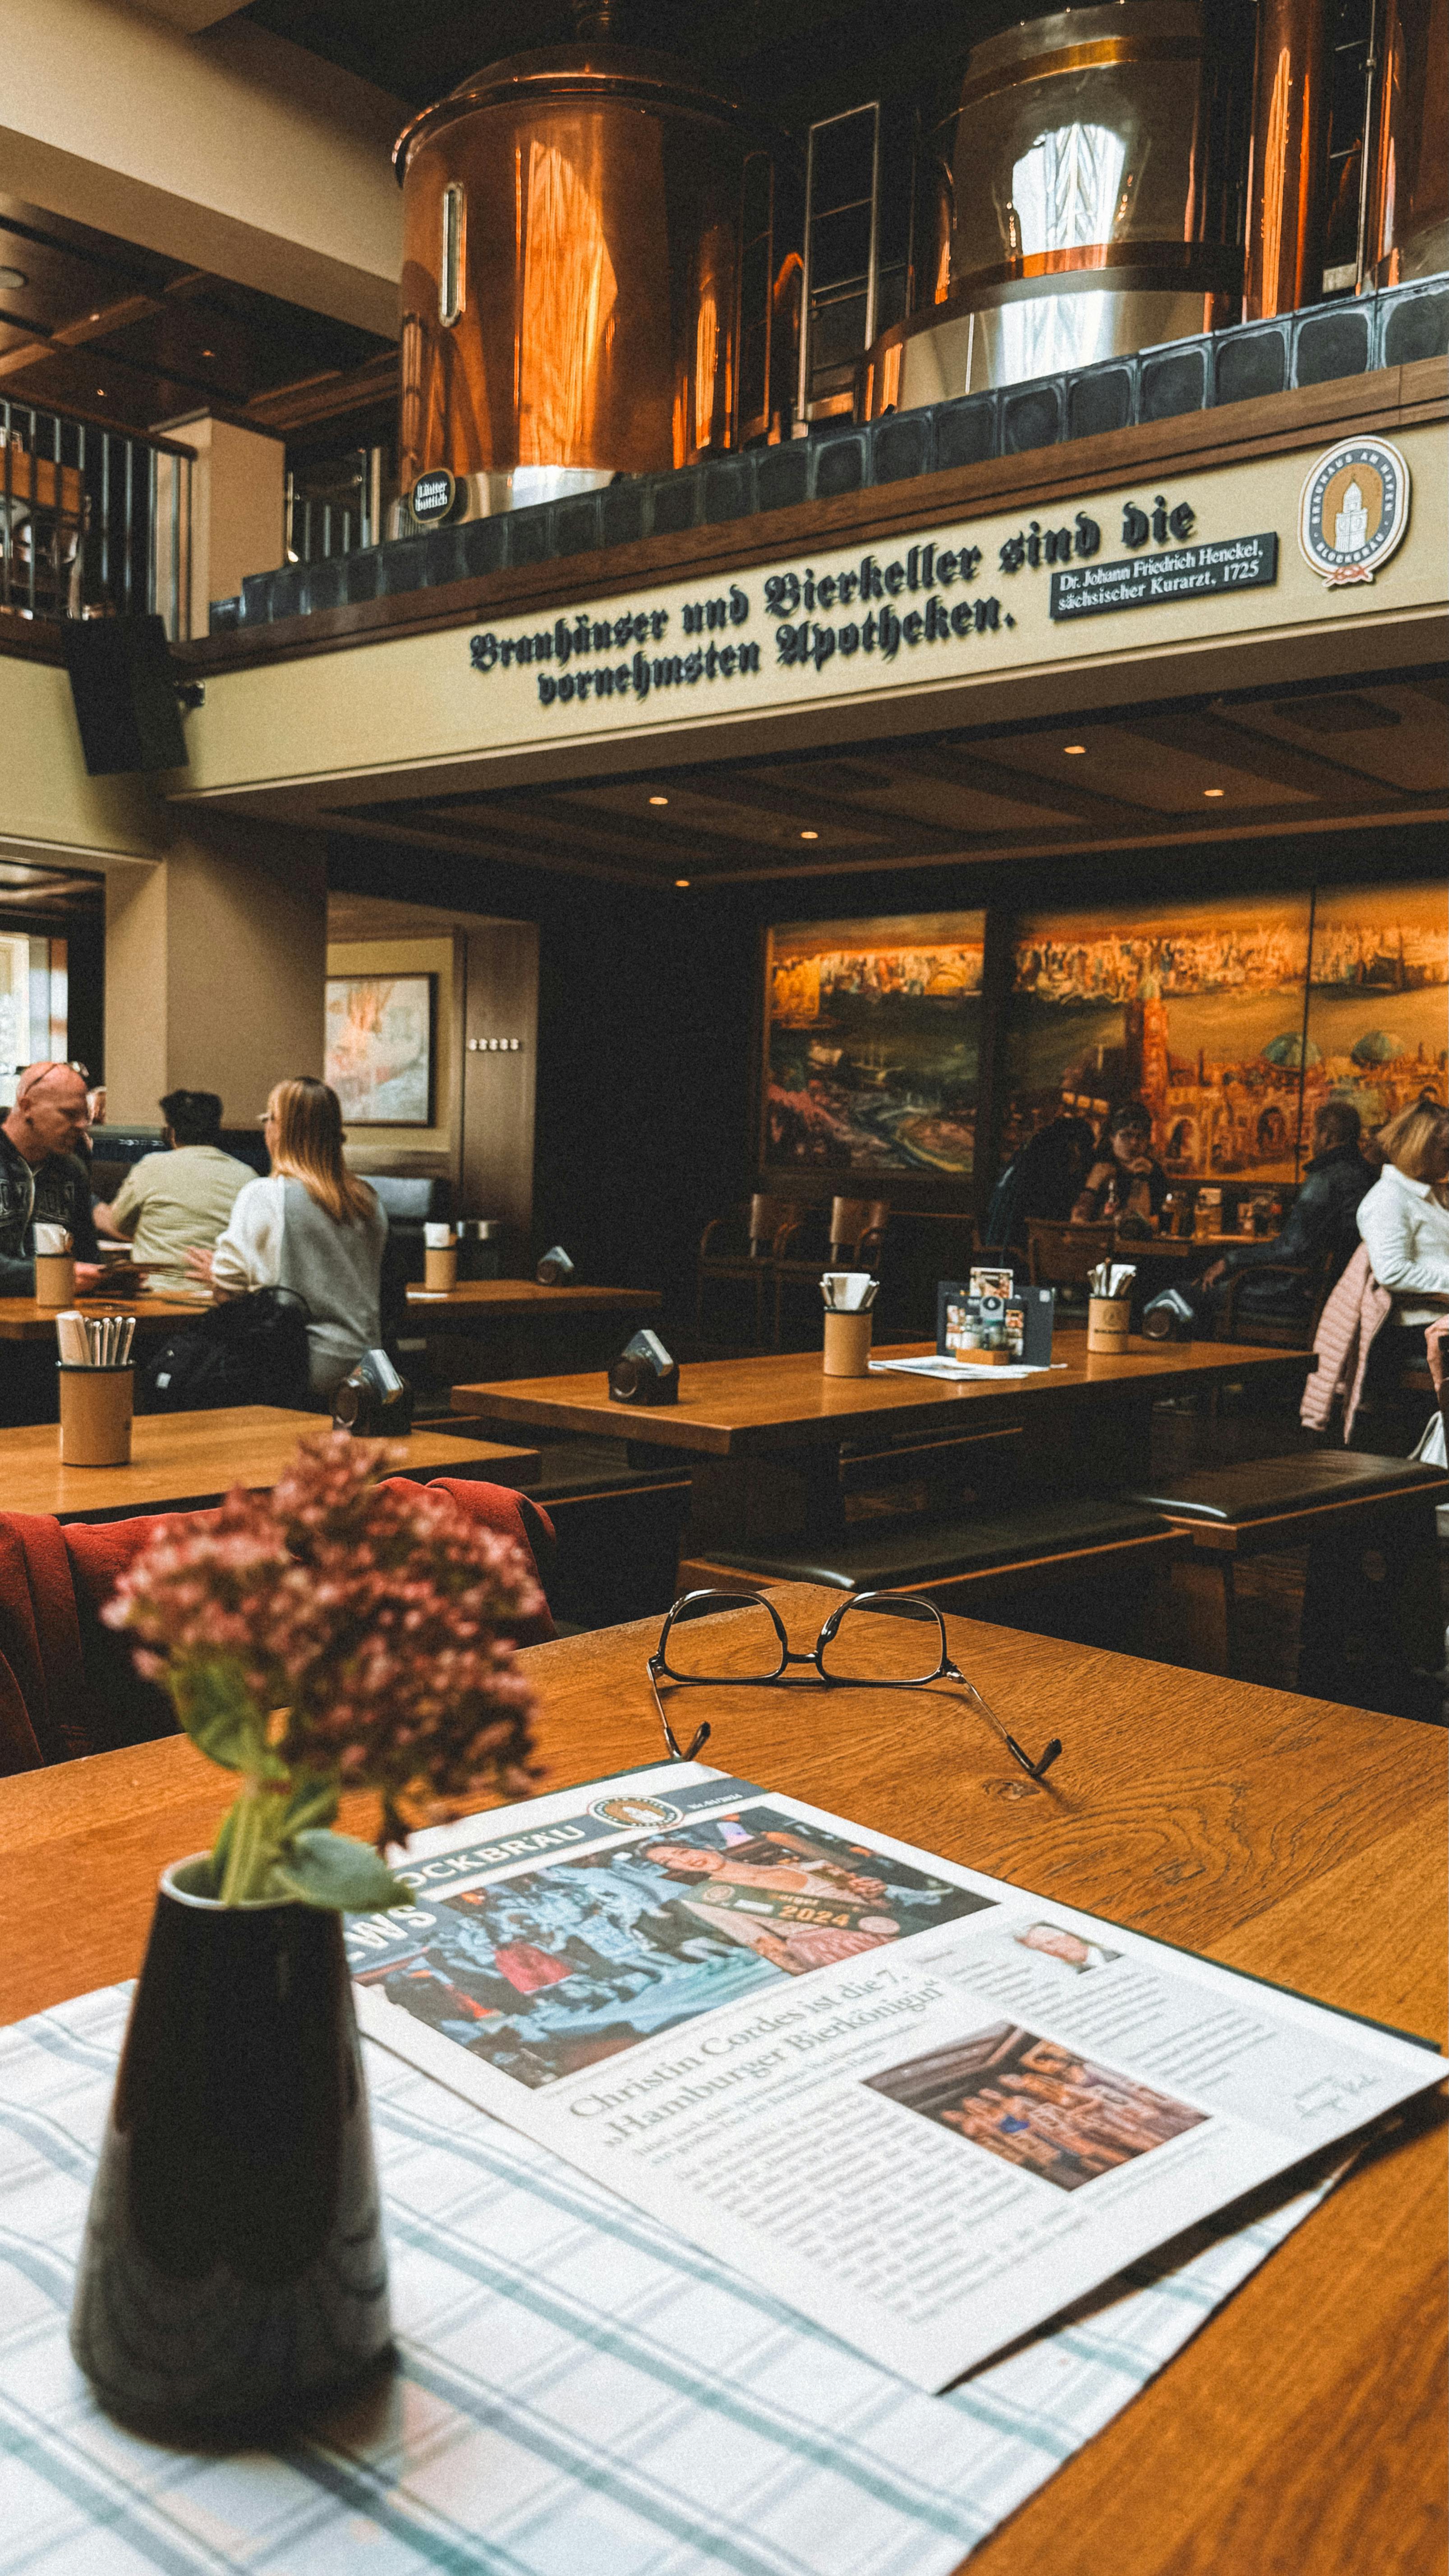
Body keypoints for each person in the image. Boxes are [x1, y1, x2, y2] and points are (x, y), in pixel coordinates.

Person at [188, 1076, 387, 1403]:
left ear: (284, 1130)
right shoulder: (369, 1201)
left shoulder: (265, 1195)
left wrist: (219, 1275)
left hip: (298, 1369)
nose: (266, 1128)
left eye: (270, 1118)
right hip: (368, 1370)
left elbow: (228, 1292)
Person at [1182, 1100, 1377, 1329]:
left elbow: (1290, 1248)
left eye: (1314, 1133)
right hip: (1340, 1293)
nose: (1312, 1140)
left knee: (1189, 1292)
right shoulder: (1368, 1175)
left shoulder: (1325, 1179)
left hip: (1295, 1291)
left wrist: (1230, 1260)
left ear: (1326, 1137)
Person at [91, 1089, 253, 1293]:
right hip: (219, 1297)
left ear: (171, 1132)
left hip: (155, 1295)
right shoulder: (247, 1176)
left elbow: (118, 1224)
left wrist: (94, 1206)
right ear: (217, 1131)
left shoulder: (152, 1166)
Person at [1353, 1098, 1449, 1378]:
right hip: (1415, 1330)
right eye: (1447, 1150)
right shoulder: (1389, 1198)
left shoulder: (1430, 1196)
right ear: (1420, 1147)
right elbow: (1392, 1272)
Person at [0, 1060, 102, 1294]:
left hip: (51, 1317)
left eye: (85, 1116)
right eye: (69, 1114)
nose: (82, 1125)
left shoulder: (72, 1170)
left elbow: (87, 1254)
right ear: (26, 1107)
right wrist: (51, 1276)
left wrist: (106, 1278)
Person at [1072, 1104, 1168, 1228]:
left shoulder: (1153, 1171)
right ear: (1112, 1137)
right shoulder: (1094, 1164)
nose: (1134, 1143)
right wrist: (1093, 1185)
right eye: (1126, 1135)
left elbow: (1148, 1222)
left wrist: (1140, 1181)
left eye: (1140, 1137)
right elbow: (1077, 1220)